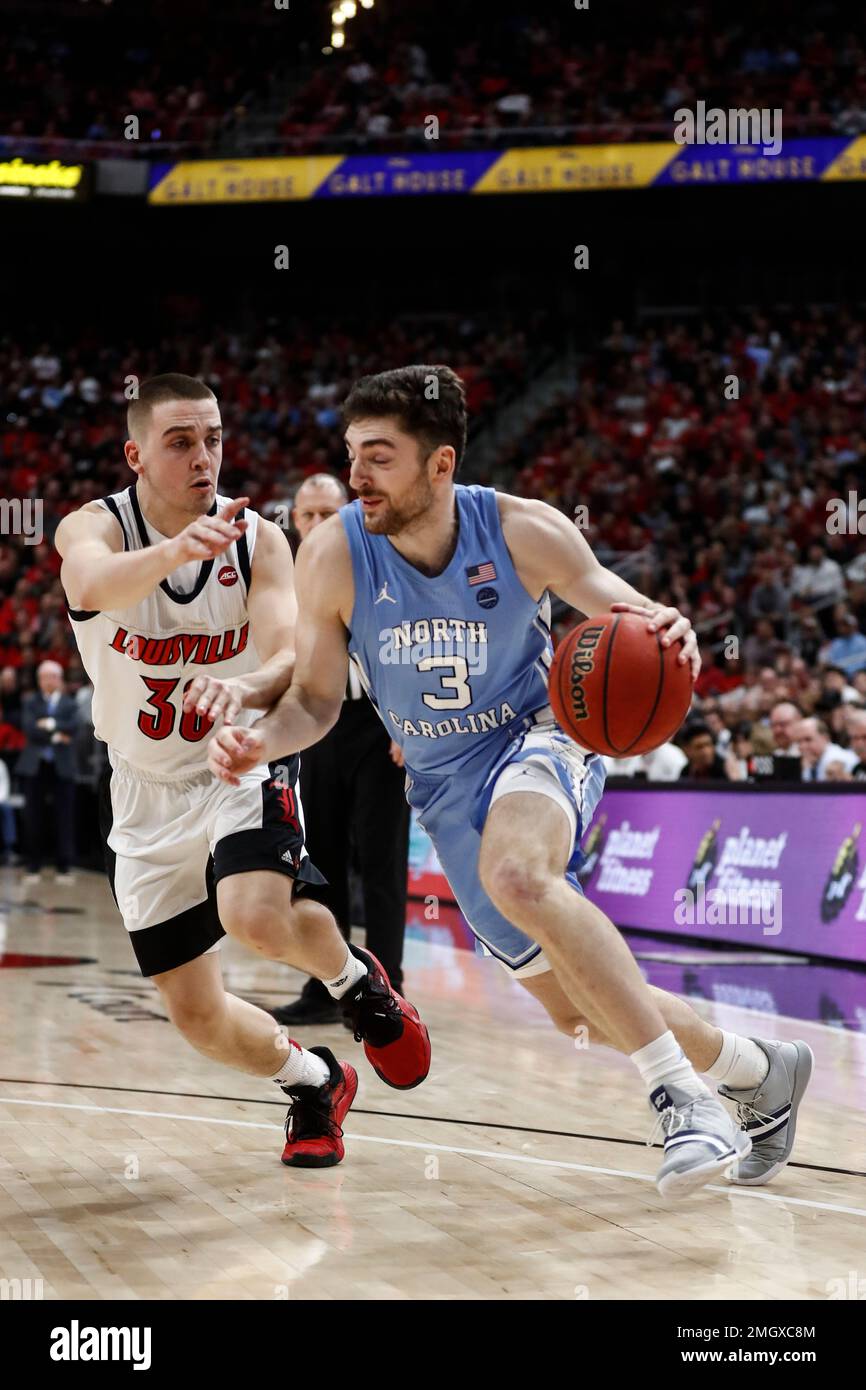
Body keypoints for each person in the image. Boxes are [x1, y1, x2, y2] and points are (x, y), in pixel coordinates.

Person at [210, 364, 812, 1198]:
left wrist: (667, 624)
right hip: (445, 784)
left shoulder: (524, 530)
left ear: (440, 464)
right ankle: (758, 1072)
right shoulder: (335, 552)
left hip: (540, 736)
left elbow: (615, 604)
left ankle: (684, 1101)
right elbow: (313, 700)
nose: (358, 477)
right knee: (574, 1009)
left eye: (378, 457)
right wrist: (260, 741)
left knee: (520, 873)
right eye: (352, 454)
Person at [55, 373, 430, 1170]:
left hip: (239, 759)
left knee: (256, 914)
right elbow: (86, 582)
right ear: (136, 454)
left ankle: (357, 985)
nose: (205, 457)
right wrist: (170, 553)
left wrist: (244, 692)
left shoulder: (258, 539)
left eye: (214, 439)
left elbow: (291, 651)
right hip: (142, 792)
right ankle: (315, 1081)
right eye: (182, 442)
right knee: (195, 1015)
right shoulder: (94, 529)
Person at [272, 473, 410, 1027]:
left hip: (379, 724)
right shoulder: (287, 574)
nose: (316, 523)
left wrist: (406, 725)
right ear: (296, 519)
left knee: (382, 861)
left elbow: (404, 646)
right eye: (307, 515)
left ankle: (388, 987)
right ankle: (329, 983)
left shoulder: (377, 563)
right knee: (319, 862)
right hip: (316, 723)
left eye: (328, 513)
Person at [18, 659, 79, 883]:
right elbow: (30, 729)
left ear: (59, 679)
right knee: (33, 816)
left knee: (64, 817)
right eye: (44, 677)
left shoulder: (69, 703)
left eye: (53, 676)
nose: (48, 681)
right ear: (39, 680)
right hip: (35, 766)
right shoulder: (31, 701)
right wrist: (57, 735)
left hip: (62, 767)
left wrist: (49, 725)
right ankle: (33, 865)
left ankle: (64, 866)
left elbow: (75, 728)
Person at [795, 716, 859, 782]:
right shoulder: (806, 762)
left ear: (825, 738)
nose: (802, 746)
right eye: (798, 741)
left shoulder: (843, 759)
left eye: (808, 740)